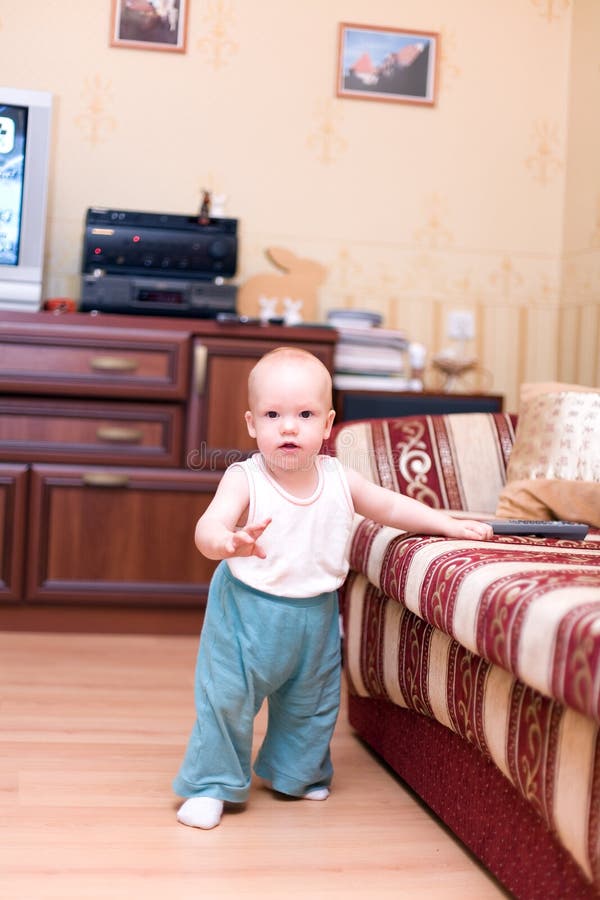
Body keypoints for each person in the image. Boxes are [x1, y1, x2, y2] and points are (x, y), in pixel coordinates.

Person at [173, 347, 493, 829]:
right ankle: (211, 784)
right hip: (245, 612)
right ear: (251, 423)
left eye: (304, 414)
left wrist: (445, 524)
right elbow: (206, 527)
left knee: (312, 702)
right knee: (227, 699)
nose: (288, 427)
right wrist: (226, 541)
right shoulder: (245, 477)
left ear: (327, 425)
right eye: (273, 415)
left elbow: (391, 506)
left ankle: (294, 775)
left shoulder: (340, 478)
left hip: (315, 614)